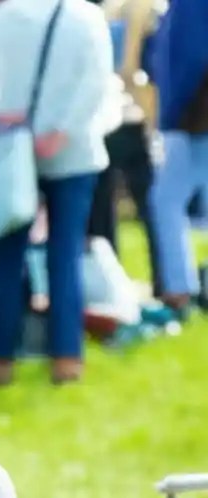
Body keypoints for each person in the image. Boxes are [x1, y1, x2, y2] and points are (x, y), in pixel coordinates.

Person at [0, 0, 114, 386]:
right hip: (73, 152)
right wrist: (62, 130)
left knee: (6, 258)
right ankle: (66, 358)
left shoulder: (6, 14)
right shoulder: (86, 16)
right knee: (65, 255)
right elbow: (96, 81)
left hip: (13, 146)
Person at [85, 0, 163, 294]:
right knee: (150, 206)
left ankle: (109, 286)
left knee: (102, 211)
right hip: (132, 114)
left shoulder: (106, 10)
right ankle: (164, 282)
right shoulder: (148, 7)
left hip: (105, 115)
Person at [148, 0, 208, 313]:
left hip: (192, 114)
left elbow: (190, 54)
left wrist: (172, 112)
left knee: (166, 199)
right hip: (196, 111)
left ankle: (179, 288)